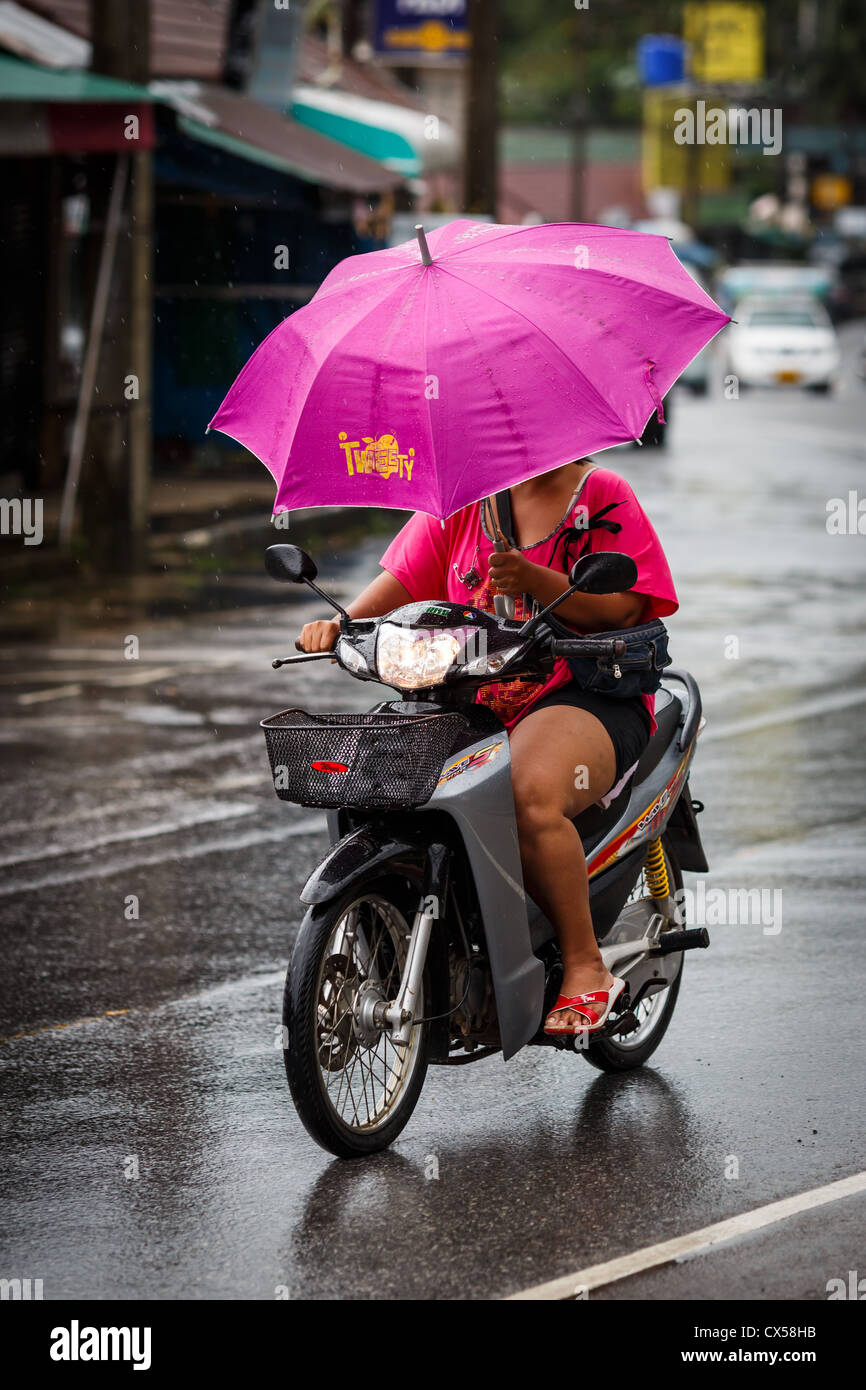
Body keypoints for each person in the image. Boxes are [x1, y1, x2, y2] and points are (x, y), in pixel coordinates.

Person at [297, 458, 678, 1035]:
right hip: (472, 698)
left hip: (586, 692)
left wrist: (537, 581)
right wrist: (341, 623)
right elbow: (401, 585)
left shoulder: (599, 493)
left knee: (525, 795)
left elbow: (625, 607)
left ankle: (584, 965)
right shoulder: (460, 500)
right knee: (376, 778)